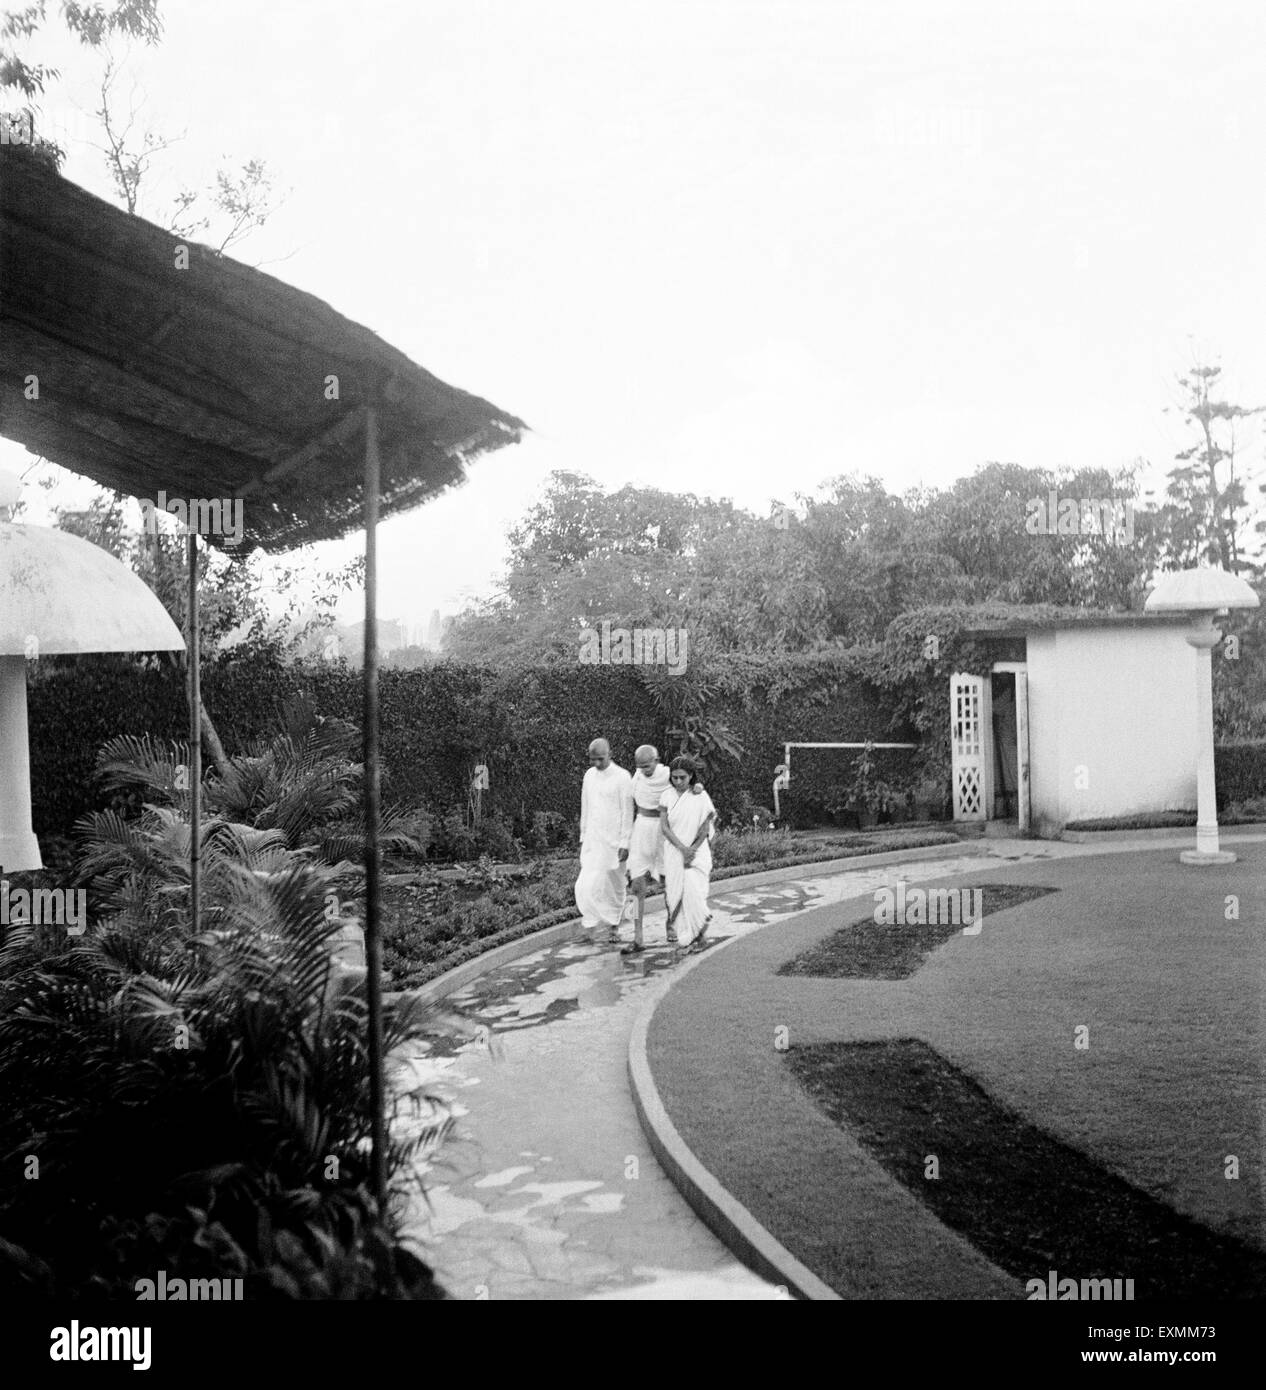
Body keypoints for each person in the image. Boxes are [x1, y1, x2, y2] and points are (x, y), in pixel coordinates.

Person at [621, 744, 704, 954]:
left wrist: (697, 787)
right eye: (639, 766)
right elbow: (628, 811)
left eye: (647, 766)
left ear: (656, 761)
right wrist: (625, 842)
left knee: (670, 882)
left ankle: (671, 922)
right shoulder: (636, 778)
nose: (643, 770)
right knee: (636, 887)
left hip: (664, 833)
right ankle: (637, 936)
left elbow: (689, 784)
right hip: (641, 833)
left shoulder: (668, 774)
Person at [574, 738, 633, 938]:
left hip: (615, 842)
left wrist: (625, 843)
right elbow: (586, 806)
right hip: (593, 839)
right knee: (586, 884)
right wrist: (583, 836)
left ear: (610, 754)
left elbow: (627, 812)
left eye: (600, 759)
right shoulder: (589, 775)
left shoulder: (622, 777)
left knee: (615, 885)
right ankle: (589, 926)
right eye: (593, 759)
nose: (597, 764)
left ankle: (614, 926)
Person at [659, 755, 717, 952]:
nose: (678, 782)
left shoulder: (700, 796)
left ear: (691, 776)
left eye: (682, 777)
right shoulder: (666, 795)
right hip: (675, 853)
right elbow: (664, 827)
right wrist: (682, 849)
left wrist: (691, 849)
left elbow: (705, 826)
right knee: (676, 895)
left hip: (697, 853)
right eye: (674, 777)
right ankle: (691, 935)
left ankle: (700, 935)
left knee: (694, 894)